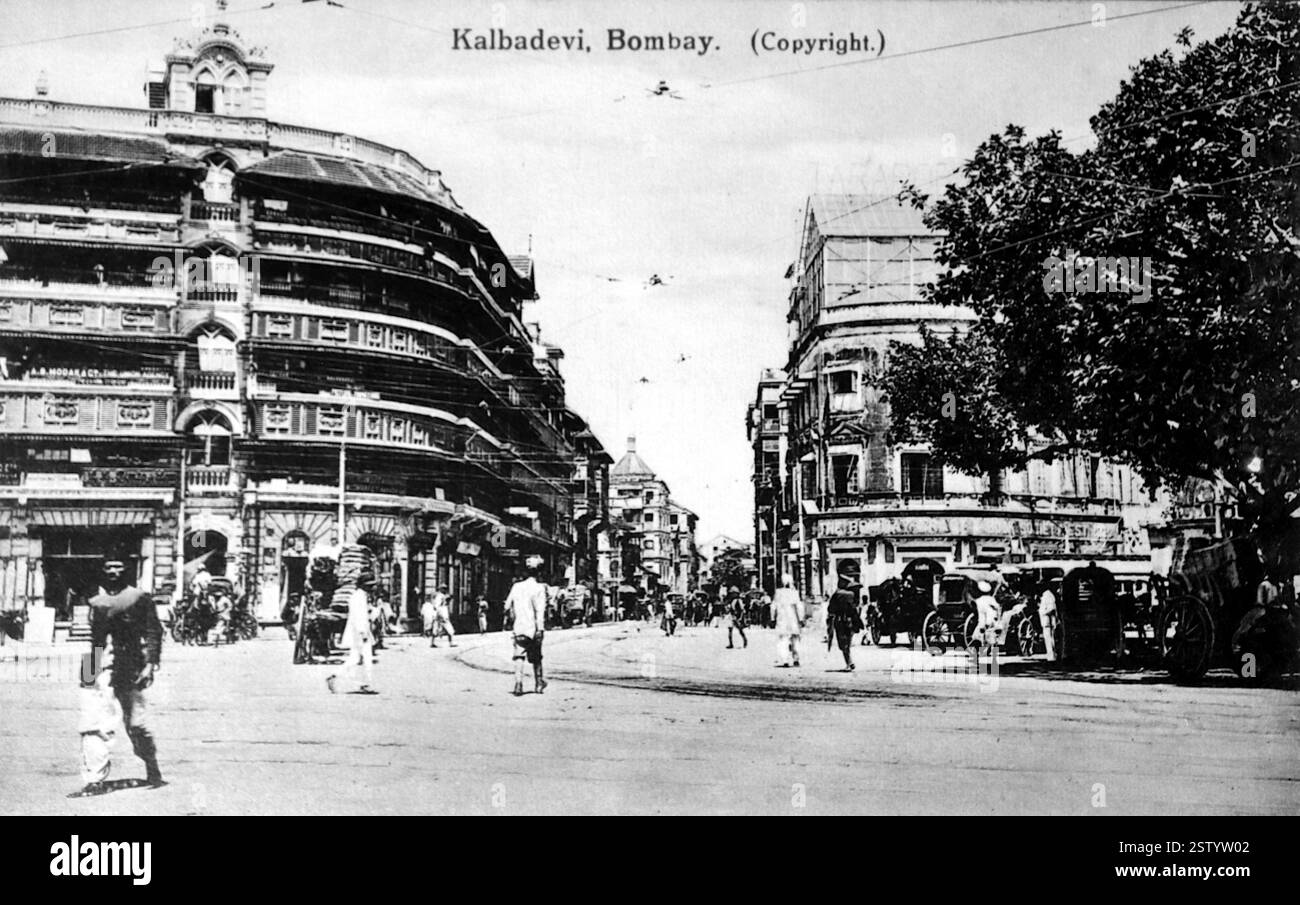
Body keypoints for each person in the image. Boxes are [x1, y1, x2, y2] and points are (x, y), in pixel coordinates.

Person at [73, 558, 165, 796]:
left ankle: (152, 767)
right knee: (92, 723)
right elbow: (95, 642)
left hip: (131, 666)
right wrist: (88, 675)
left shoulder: (139, 598)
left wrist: (151, 664)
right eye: (108, 568)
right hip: (100, 664)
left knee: (137, 725)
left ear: (127, 570)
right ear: (102, 573)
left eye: (118, 566)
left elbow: (154, 630)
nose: (113, 571)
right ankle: (94, 779)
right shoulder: (95, 602)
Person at [504, 556, 549, 696]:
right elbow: (539, 611)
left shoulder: (516, 586)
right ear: (539, 572)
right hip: (533, 629)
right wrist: (540, 629)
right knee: (537, 658)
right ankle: (539, 684)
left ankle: (518, 684)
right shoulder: (539, 588)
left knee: (519, 656)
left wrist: (512, 617)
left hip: (519, 628)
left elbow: (506, 606)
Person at [327, 573, 377, 694]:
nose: (372, 588)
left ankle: (335, 676)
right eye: (369, 585)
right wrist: (363, 632)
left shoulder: (359, 596)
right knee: (367, 658)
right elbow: (359, 616)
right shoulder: (359, 597)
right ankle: (366, 684)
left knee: (354, 658)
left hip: (359, 631)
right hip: (360, 632)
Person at [825, 574, 861, 670]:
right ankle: (850, 661)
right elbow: (855, 608)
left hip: (840, 621)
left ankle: (849, 662)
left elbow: (830, 609)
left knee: (843, 643)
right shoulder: (852, 594)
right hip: (851, 621)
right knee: (848, 642)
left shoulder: (836, 594)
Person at [772, 574, 804, 667]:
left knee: (783, 639)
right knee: (795, 639)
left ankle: (785, 660)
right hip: (793, 619)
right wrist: (801, 619)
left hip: (782, 619)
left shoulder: (778, 593)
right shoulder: (794, 593)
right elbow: (799, 607)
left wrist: (772, 618)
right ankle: (796, 659)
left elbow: (773, 606)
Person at [1039, 579, 1060, 662]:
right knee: (1048, 638)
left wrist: (1043, 612)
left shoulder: (1048, 595)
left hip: (1048, 620)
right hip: (1045, 620)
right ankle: (1050, 655)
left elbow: (1051, 608)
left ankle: (1052, 656)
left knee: (1050, 638)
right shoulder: (1046, 595)